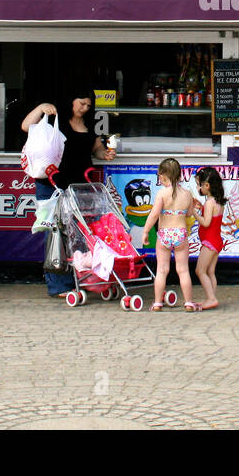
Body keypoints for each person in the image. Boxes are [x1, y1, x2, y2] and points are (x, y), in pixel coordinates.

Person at [27, 87, 118, 296]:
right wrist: (41, 108)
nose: (84, 108)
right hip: (53, 185)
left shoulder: (90, 125)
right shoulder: (54, 120)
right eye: (81, 103)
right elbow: (26, 126)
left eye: (88, 105)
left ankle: (84, 280)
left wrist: (105, 154)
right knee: (56, 235)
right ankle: (59, 285)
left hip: (79, 187)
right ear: (71, 101)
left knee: (80, 235)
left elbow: (97, 148)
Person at [140, 157, 198, 311]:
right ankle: (188, 302)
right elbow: (189, 214)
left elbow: (153, 215)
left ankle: (158, 303)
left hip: (164, 234)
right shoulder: (187, 194)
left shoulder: (162, 194)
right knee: (183, 270)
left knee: (161, 270)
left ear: (164, 176)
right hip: (180, 234)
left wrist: (146, 231)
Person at [192, 167, 225, 311]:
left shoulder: (210, 202)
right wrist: (201, 208)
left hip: (209, 243)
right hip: (216, 241)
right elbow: (211, 217)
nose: (198, 188)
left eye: (199, 185)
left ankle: (211, 298)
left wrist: (193, 212)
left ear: (207, 185)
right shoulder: (217, 202)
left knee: (200, 271)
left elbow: (206, 222)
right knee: (210, 272)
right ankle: (211, 297)